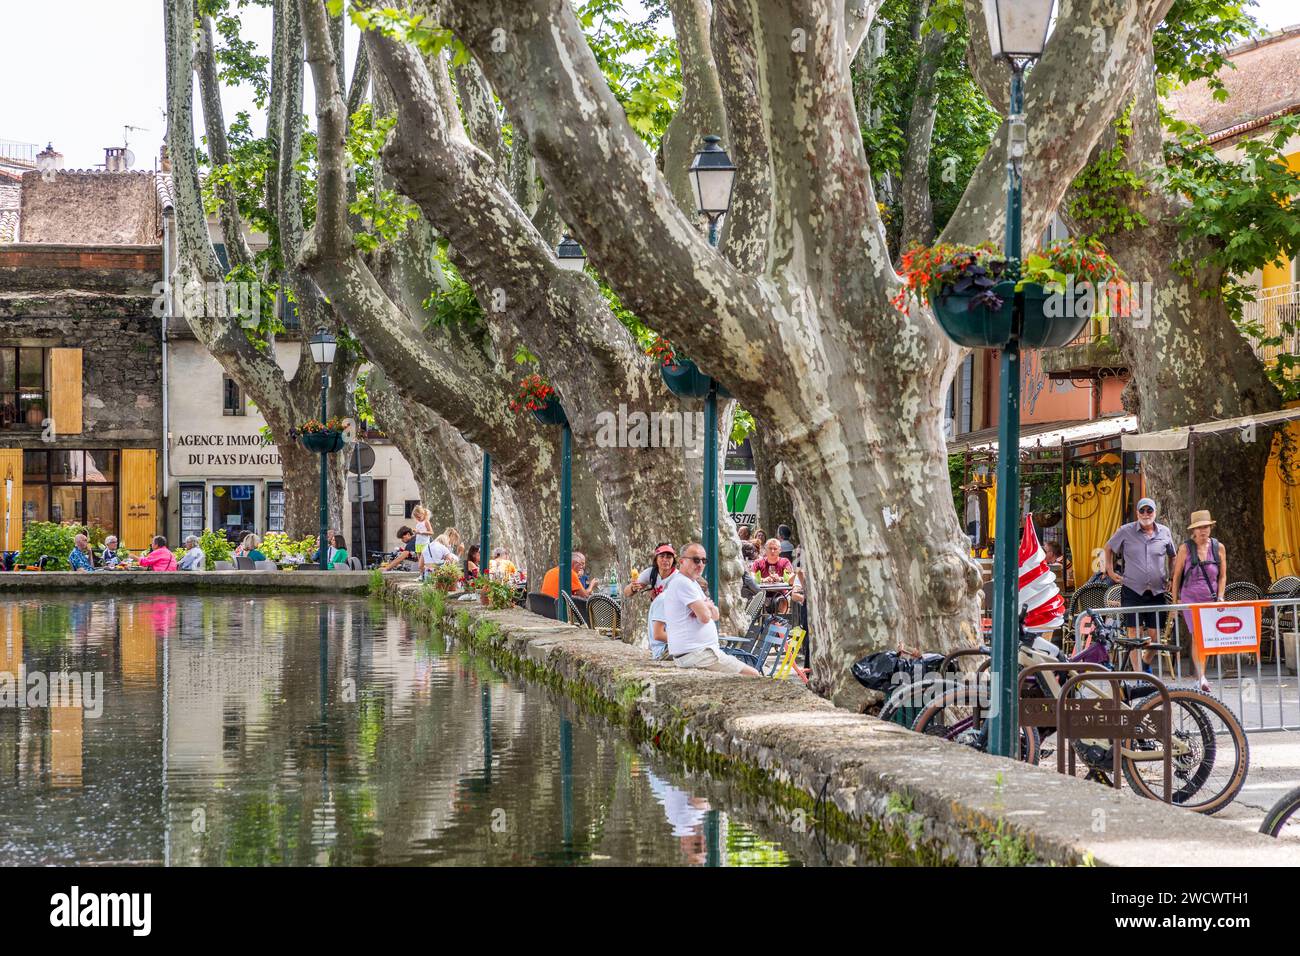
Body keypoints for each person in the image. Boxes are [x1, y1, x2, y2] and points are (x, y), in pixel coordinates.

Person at [661, 542, 760, 676]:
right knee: (753, 675)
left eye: (704, 560)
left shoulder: (692, 582)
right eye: (696, 560)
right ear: (681, 561)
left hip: (701, 653)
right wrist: (706, 606)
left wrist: (705, 607)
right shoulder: (683, 582)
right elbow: (705, 617)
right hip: (698, 654)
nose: (700, 564)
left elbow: (716, 615)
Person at [1105, 497, 1176, 671]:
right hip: (1132, 590)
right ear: (1137, 513)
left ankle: (1144, 665)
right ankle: (1138, 676)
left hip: (1156, 591)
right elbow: (1108, 548)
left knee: (1155, 636)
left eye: (1149, 510)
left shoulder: (1164, 532)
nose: (1146, 514)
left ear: (1155, 513)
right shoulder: (1125, 531)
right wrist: (1110, 571)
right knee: (1133, 634)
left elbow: (1173, 555)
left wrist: (1173, 578)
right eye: (1142, 511)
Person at [1171, 510, 1225, 693]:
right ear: (1193, 530)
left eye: (1206, 527)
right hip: (1190, 597)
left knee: (1207, 636)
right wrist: (1174, 602)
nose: (1204, 531)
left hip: (1210, 597)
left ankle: (1202, 673)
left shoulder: (1218, 547)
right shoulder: (1185, 548)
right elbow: (1176, 577)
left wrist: (1221, 597)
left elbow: (1223, 576)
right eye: (1200, 527)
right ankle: (1201, 676)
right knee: (1197, 636)